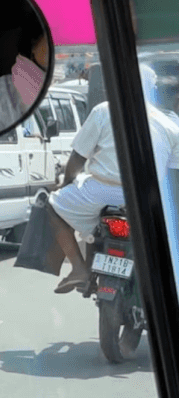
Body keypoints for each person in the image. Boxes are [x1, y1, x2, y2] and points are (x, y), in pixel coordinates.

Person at [49, 64, 179, 293]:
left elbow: (78, 158)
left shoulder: (104, 110)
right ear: (152, 89)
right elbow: (173, 177)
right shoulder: (170, 126)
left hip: (99, 190)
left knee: (52, 206)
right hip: (145, 200)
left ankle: (79, 268)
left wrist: (67, 183)